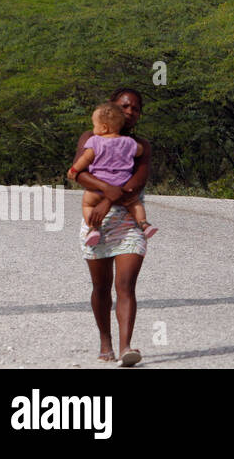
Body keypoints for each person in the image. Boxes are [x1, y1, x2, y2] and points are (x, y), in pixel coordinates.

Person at [69, 88, 153, 366]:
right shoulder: (90, 138)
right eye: (124, 106)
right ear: (111, 108)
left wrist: (107, 200)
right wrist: (106, 196)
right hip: (97, 223)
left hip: (129, 222)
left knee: (126, 285)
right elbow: (79, 173)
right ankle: (105, 342)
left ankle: (126, 346)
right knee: (101, 287)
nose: (130, 112)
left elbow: (137, 183)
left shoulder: (141, 145)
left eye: (135, 109)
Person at [69, 102, 157, 246]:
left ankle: (93, 228)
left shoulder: (94, 141)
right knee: (135, 203)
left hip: (99, 187)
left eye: (94, 125)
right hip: (122, 186)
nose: (93, 128)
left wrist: (73, 170)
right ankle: (144, 224)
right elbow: (140, 151)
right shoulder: (128, 142)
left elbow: (84, 159)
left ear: (103, 128)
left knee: (87, 204)